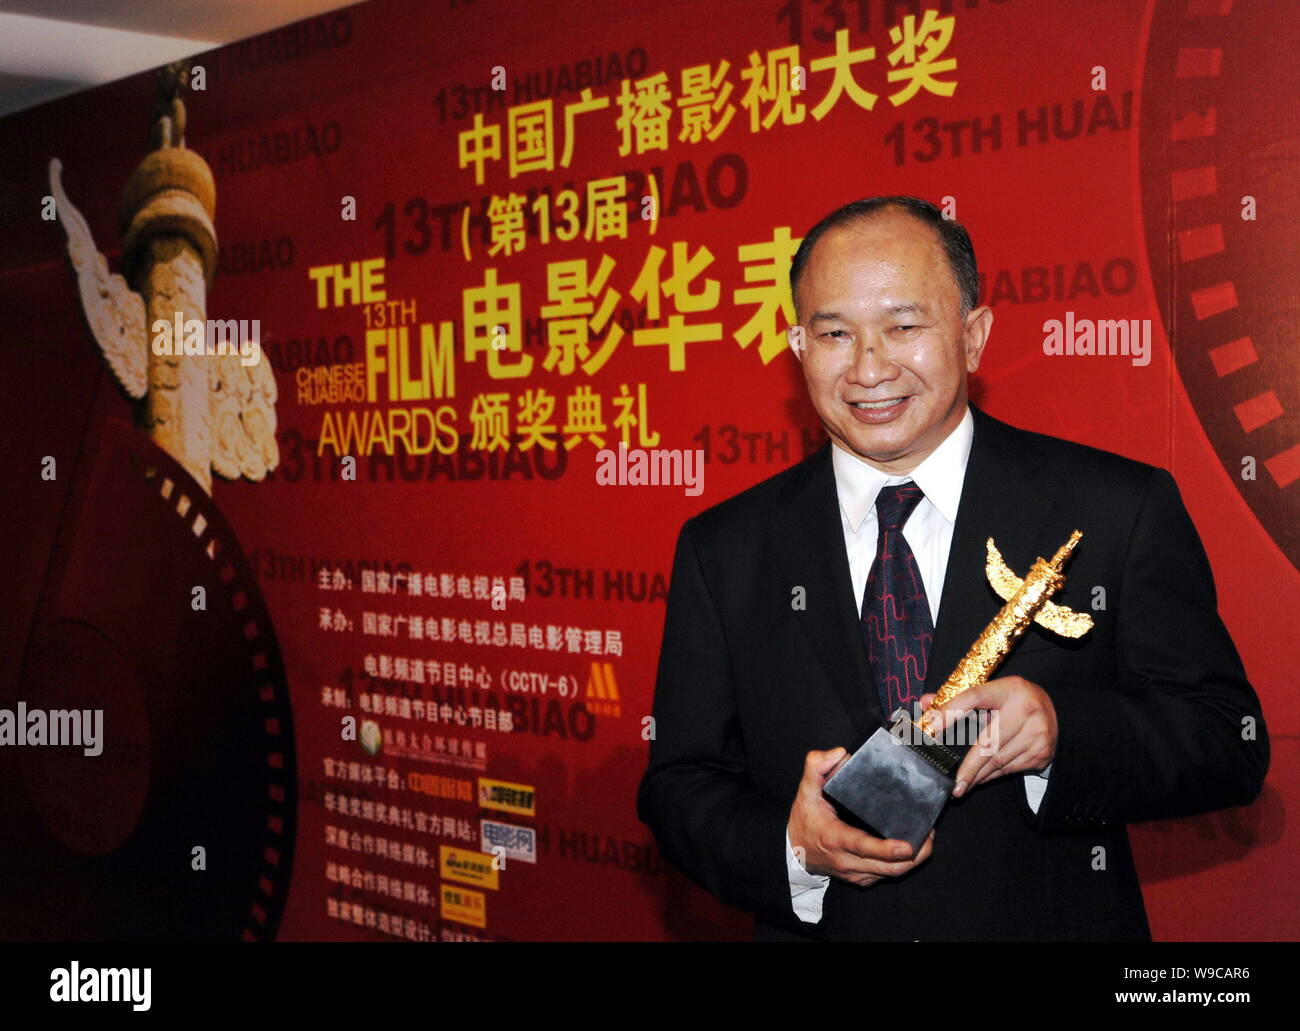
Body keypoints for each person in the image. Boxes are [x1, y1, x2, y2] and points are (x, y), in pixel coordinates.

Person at [636, 196, 1270, 941]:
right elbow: (679, 786)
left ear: (973, 336)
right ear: (799, 347)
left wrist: (1063, 731)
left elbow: (1230, 739)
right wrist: (794, 846)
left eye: (904, 326)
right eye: (835, 332)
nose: (870, 367)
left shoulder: (1110, 507)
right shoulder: (727, 546)